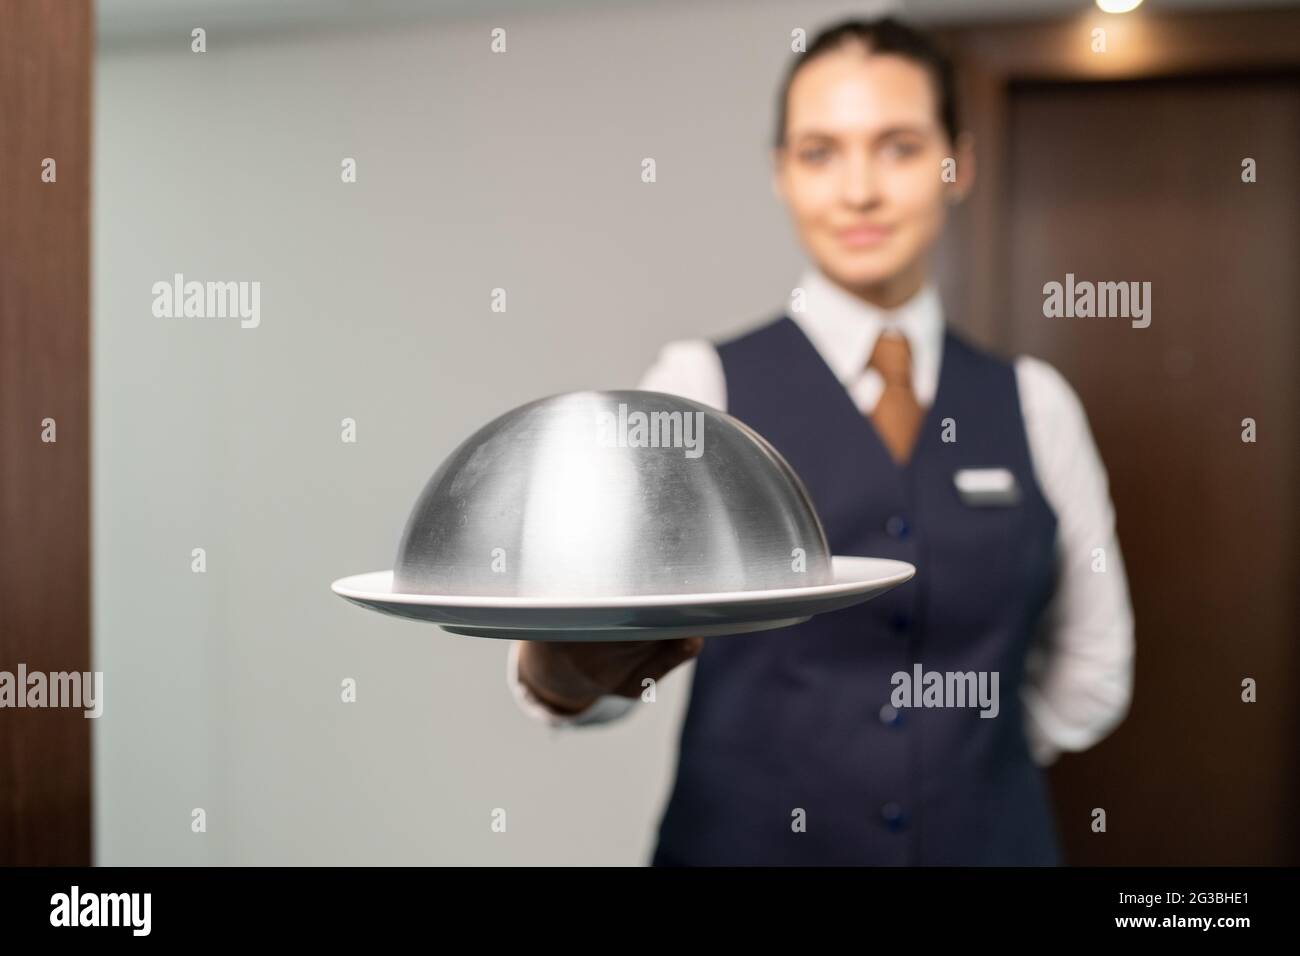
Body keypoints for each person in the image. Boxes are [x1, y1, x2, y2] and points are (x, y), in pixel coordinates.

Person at [508, 16, 1134, 865]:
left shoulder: (1036, 404)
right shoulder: (698, 389)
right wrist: (563, 675)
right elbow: (601, 653)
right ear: (781, 174)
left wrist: (963, 763)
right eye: (819, 152)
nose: (859, 190)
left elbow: (1094, 668)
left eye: (900, 147)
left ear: (960, 165)